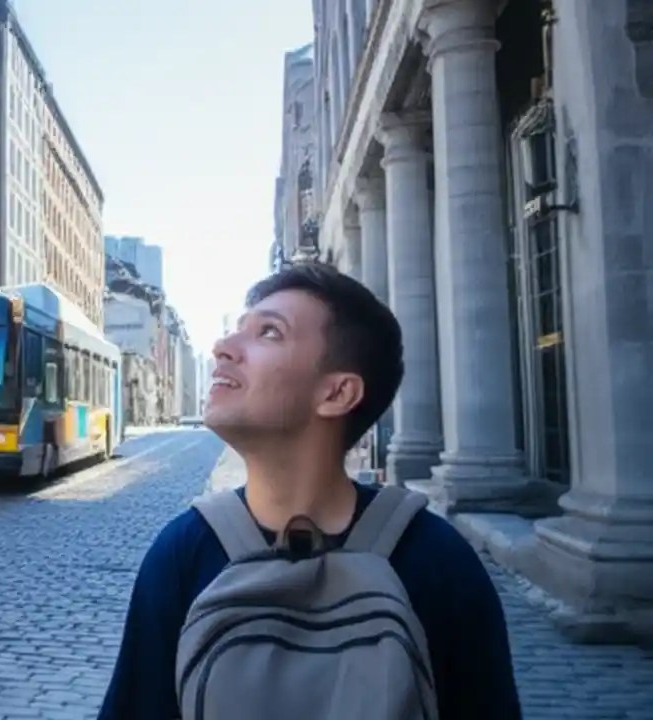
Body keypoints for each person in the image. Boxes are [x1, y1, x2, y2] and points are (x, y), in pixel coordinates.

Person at [97, 264, 521, 719]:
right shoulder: (439, 557)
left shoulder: (440, 565)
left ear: (337, 393)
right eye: (238, 330)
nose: (223, 347)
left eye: (269, 333)